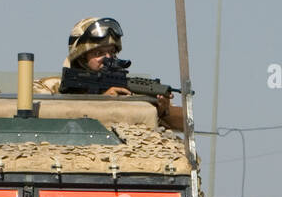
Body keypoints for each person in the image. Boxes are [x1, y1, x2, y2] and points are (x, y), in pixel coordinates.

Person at [36, 16, 183, 130]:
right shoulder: (50, 87)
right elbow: (41, 119)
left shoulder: (127, 91)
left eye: (111, 52)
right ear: (81, 58)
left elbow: (183, 123)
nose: (107, 58)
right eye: (99, 53)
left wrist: (163, 111)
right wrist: (101, 103)